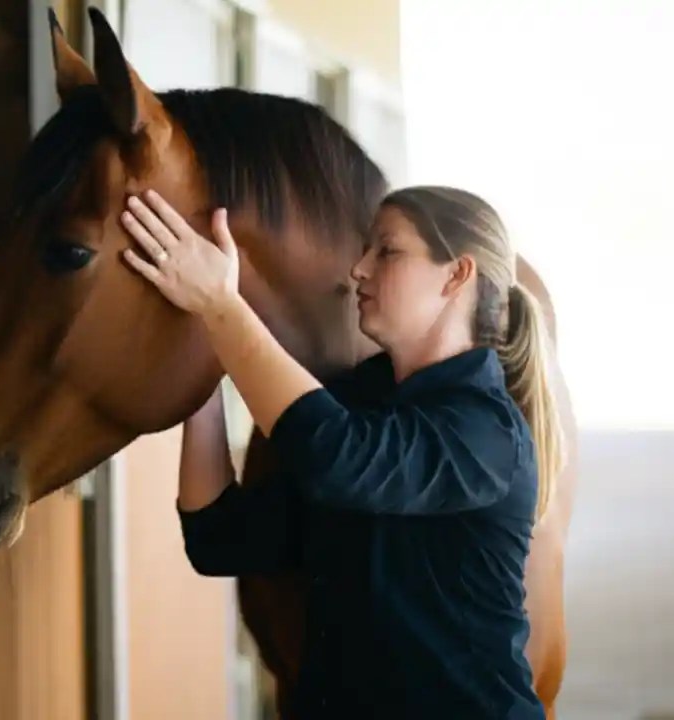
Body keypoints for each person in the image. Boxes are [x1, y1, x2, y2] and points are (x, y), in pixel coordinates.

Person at [120, 185, 563, 719]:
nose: (359, 269)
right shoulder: (360, 408)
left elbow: (339, 459)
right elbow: (219, 540)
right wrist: (201, 355)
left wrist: (222, 307)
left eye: (388, 250)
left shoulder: (487, 430)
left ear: (456, 275)